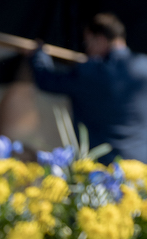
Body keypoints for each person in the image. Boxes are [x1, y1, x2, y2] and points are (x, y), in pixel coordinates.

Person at [32, 13, 147, 162]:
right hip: (142, 167)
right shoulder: (144, 66)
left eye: (87, 43)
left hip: (103, 172)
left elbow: (46, 80)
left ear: (100, 39)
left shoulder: (91, 73)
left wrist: (38, 55)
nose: (87, 50)